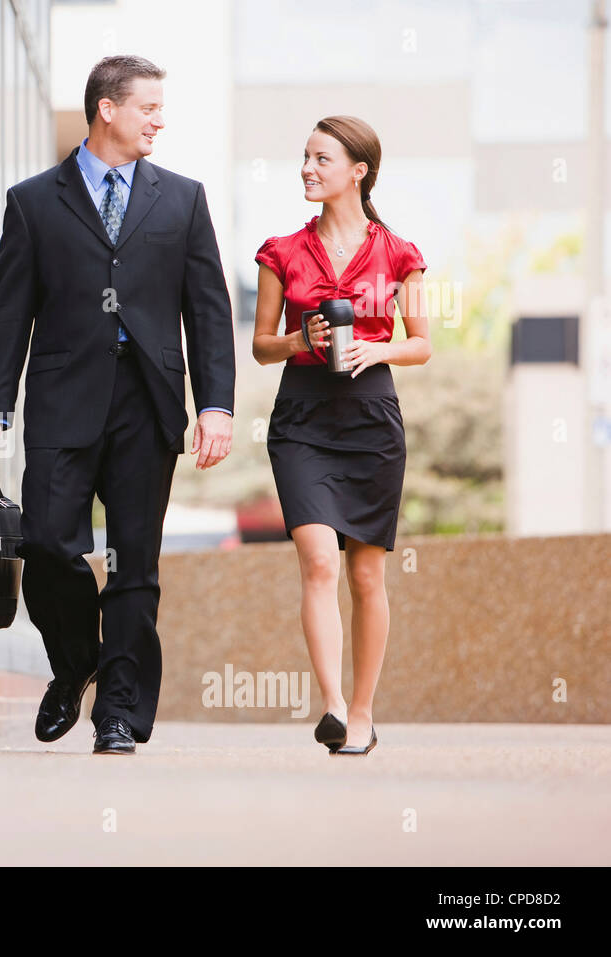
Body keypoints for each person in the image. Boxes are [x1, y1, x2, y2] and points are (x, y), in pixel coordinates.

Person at [0, 55, 236, 755]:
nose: (160, 119)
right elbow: (8, 316)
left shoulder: (183, 199)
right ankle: (75, 661)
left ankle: (118, 710)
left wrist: (217, 406)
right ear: (107, 109)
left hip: (147, 403)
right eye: (148, 107)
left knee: (134, 563)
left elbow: (208, 311)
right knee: (49, 544)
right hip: (62, 399)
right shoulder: (33, 201)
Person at [251, 115, 432, 757]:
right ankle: (330, 704)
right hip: (301, 420)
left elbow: (422, 344)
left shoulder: (399, 254)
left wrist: (378, 350)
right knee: (319, 559)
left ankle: (361, 713)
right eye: (304, 157)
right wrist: (302, 340)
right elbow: (261, 347)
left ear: (357, 171)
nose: (307, 168)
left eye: (321, 159)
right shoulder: (281, 252)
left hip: (371, 420)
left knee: (364, 576)